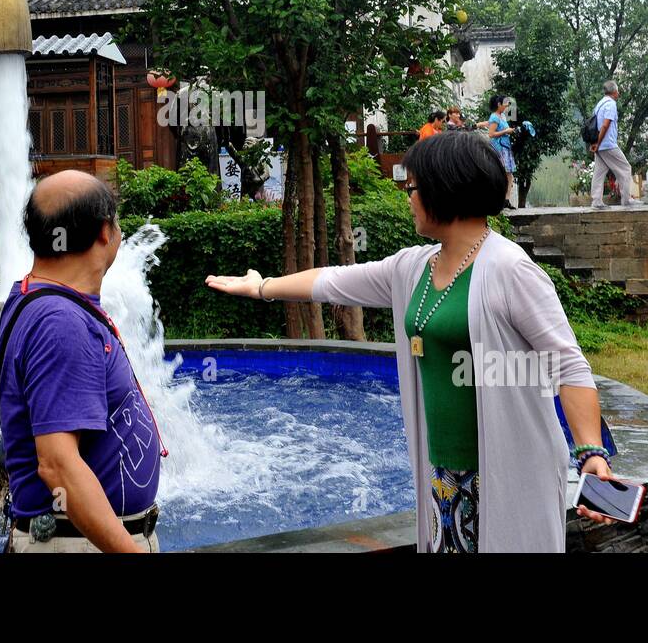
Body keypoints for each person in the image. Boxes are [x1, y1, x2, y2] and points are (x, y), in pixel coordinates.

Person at [205, 132, 620, 552]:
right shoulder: (413, 268)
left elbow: (567, 364)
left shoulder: (511, 270)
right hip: (443, 476)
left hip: (506, 473)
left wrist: (590, 452)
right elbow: (332, 281)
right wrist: (263, 287)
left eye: (413, 188)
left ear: (446, 188)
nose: (408, 198)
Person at [0, 170, 165, 553]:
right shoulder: (61, 322)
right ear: (106, 232)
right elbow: (56, 465)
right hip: (76, 544)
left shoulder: (37, 296)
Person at [589, 80, 642, 209]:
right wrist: (599, 143)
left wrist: (595, 142)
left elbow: (594, 125)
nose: (618, 93)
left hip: (599, 145)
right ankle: (626, 199)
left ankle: (596, 201)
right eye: (618, 90)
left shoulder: (599, 104)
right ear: (614, 91)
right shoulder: (611, 104)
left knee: (599, 172)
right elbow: (605, 124)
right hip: (607, 144)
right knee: (625, 168)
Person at [481, 94, 518, 207]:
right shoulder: (494, 117)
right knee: (500, 173)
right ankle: (499, 199)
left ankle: (506, 200)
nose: (507, 105)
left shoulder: (502, 116)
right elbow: (491, 134)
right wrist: (506, 131)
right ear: (499, 104)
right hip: (499, 148)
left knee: (509, 174)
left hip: (505, 147)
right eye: (505, 103)